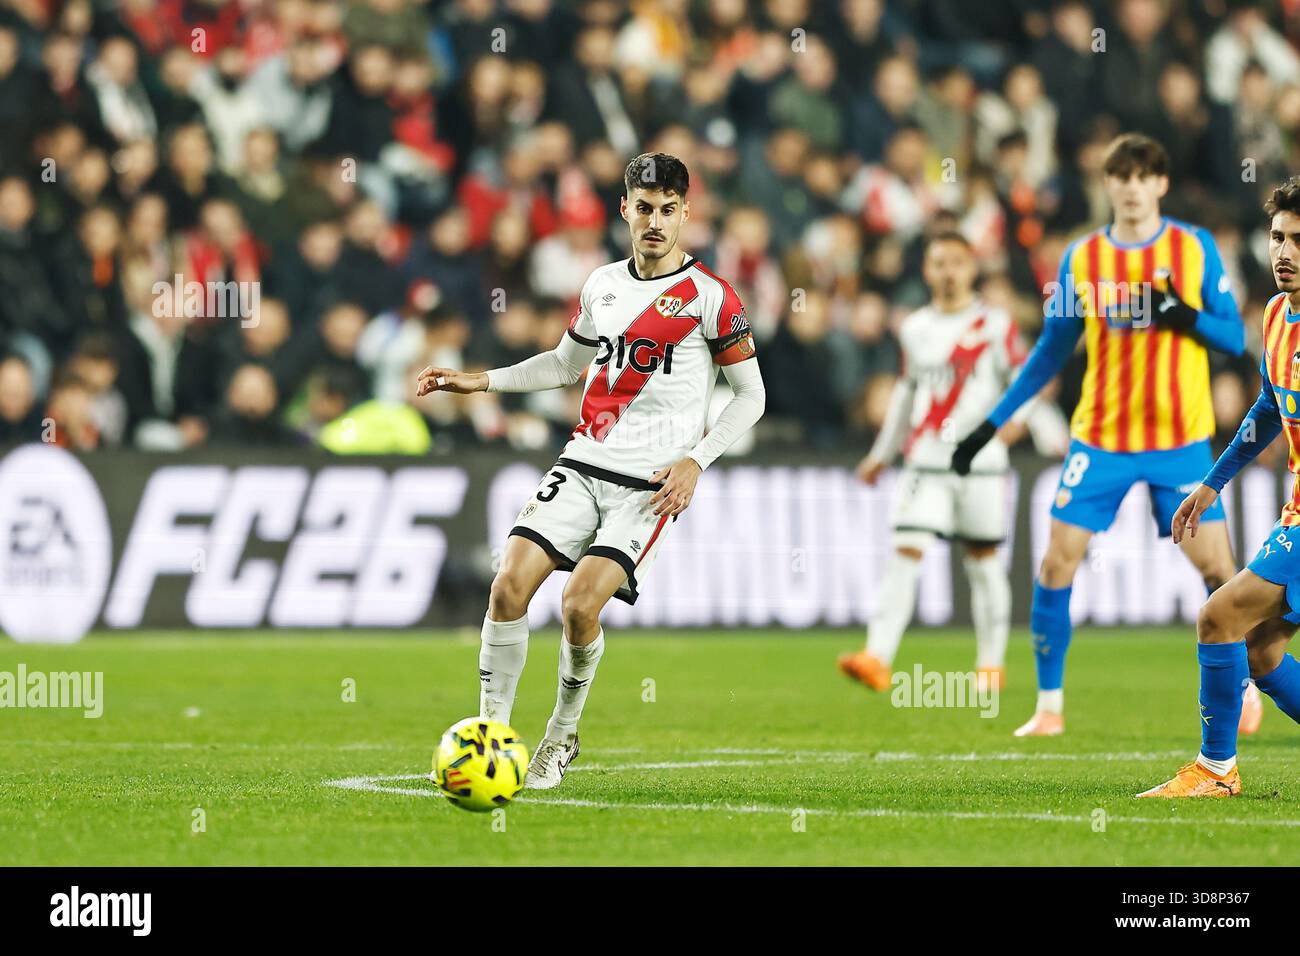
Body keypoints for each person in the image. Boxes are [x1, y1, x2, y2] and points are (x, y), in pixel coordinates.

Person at [415, 153, 765, 789]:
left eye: (668, 210)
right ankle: (491, 734)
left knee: (578, 606)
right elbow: (562, 364)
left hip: (650, 486)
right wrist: (481, 380)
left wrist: (696, 462)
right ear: (624, 209)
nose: (655, 222)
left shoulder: (711, 297)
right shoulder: (602, 284)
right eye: (644, 208)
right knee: (507, 585)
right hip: (583, 461)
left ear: (685, 213)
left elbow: (751, 396)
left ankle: (561, 735)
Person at [949, 134, 1251, 737]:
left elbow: (1235, 338)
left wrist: (1181, 315)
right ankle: (1049, 707)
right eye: (1121, 176)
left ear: (1161, 184)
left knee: (1220, 572)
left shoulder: (1193, 248)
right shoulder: (1082, 259)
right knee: (1055, 563)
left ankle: (1241, 692)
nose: (1132, 187)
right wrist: (989, 424)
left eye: (1143, 176)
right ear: (1107, 184)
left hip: (1179, 440)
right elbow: (1050, 351)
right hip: (1101, 439)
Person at [839, 231, 1057, 692]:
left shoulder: (995, 325)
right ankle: (877, 656)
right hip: (926, 460)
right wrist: (881, 454)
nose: (949, 272)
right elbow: (906, 393)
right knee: (906, 549)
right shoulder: (915, 327)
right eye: (939, 262)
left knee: (982, 559)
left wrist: (1019, 422)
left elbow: (1025, 379)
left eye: (957, 262)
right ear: (927, 270)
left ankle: (990, 665)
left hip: (980, 462)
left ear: (972, 268)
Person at [1139, 176, 1300, 797]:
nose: (1284, 252)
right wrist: (1211, 485)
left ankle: (1215, 769)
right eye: (1278, 238)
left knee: (1219, 615)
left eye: (1298, 240)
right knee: (1260, 652)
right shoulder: (1277, 316)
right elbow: (1269, 409)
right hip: (1295, 512)